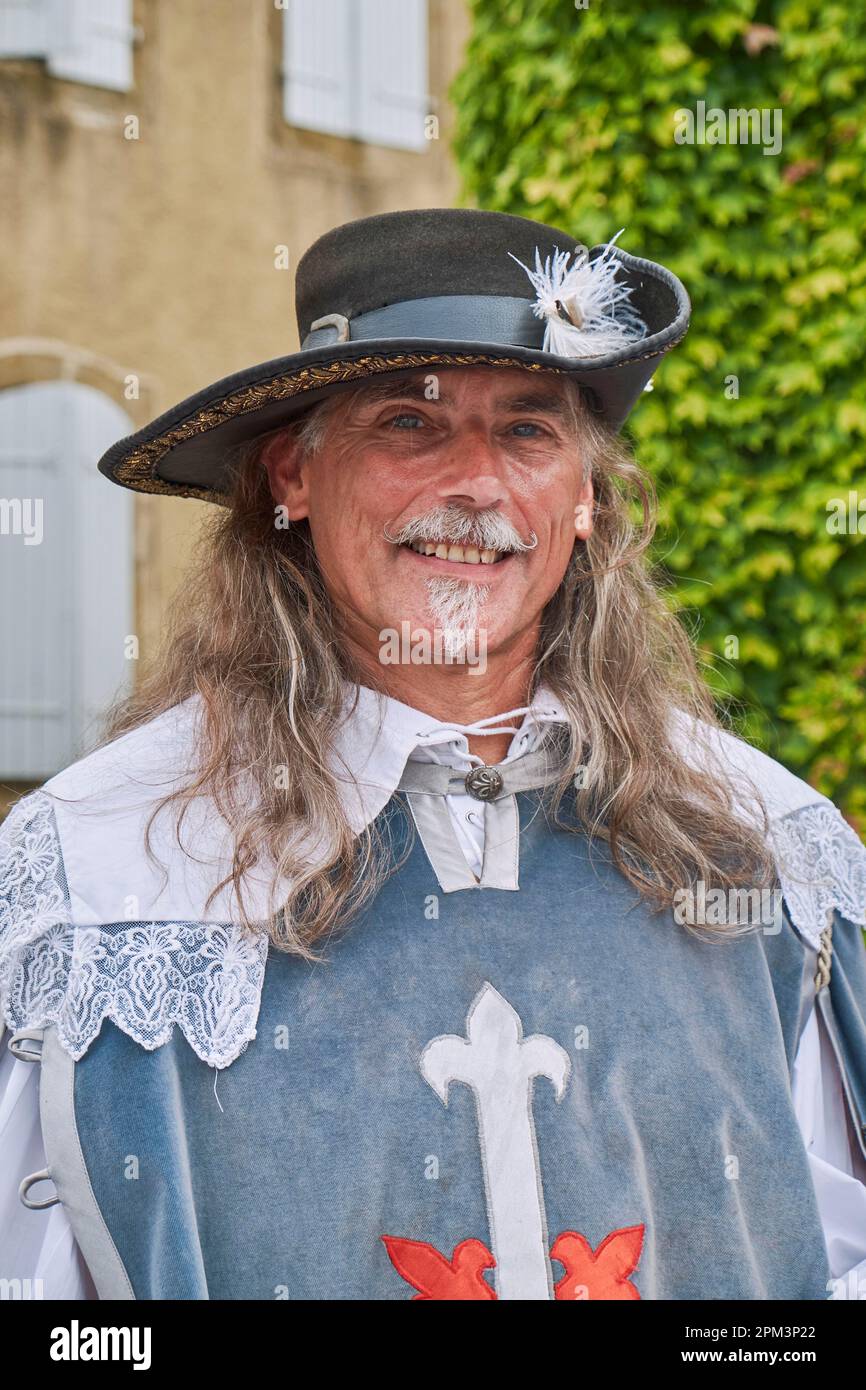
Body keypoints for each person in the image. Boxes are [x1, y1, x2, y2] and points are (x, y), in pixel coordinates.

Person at [2, 208, 865, 1302]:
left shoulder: (768, 853)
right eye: (409, 424)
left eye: (528, 432)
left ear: (585, 499)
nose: (475, 485)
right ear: (291, 476)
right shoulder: (97, 872)